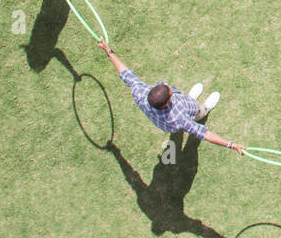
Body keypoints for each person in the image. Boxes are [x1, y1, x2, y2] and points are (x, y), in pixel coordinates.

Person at [97, 42, 246, 154]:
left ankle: (189, 98)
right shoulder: (179, 118)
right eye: (170, 91)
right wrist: (231, 145)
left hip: (165, 122)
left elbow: (126, 74)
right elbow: (204, 134)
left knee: (185, 98)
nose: (169, 86)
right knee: (197, 112)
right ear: (168, 102)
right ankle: (204, 109)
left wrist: (109, 51)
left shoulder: (140, 93)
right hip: (189, 112)